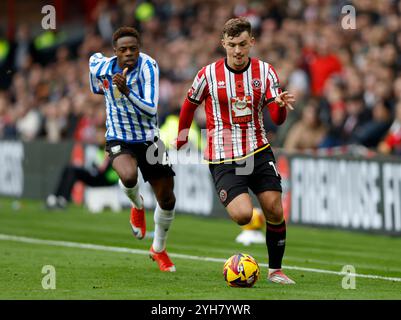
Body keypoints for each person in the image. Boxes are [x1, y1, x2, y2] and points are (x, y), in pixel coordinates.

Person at [175, 18, 296, 284]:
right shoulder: (207, 74)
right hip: (223, 155)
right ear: (223, 44)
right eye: (232, 45)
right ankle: (250, 231)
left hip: (258, 148)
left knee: (274, 208)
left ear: (251, 42)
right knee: (243, 215)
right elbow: (188, 105)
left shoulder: (265, 72)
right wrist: (181, 139)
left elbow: (277, 118)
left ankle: (275, 270)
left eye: (242, 44)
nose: (238, 51)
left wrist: (279, 105)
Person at [88, 27, 176, 272]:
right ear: (115, 51)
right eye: (123, 50)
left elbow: (150, 109)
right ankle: (137, 206)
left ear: (140, 48)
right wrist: (101, 87)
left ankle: (158, 248)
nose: (129, 53)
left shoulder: (149, 67)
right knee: (128, 176)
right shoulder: (103, 66)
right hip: (119, 137)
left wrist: (126, 91)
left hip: (148, 139)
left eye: (133, 49)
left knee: (167, 199)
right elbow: (93, 66)